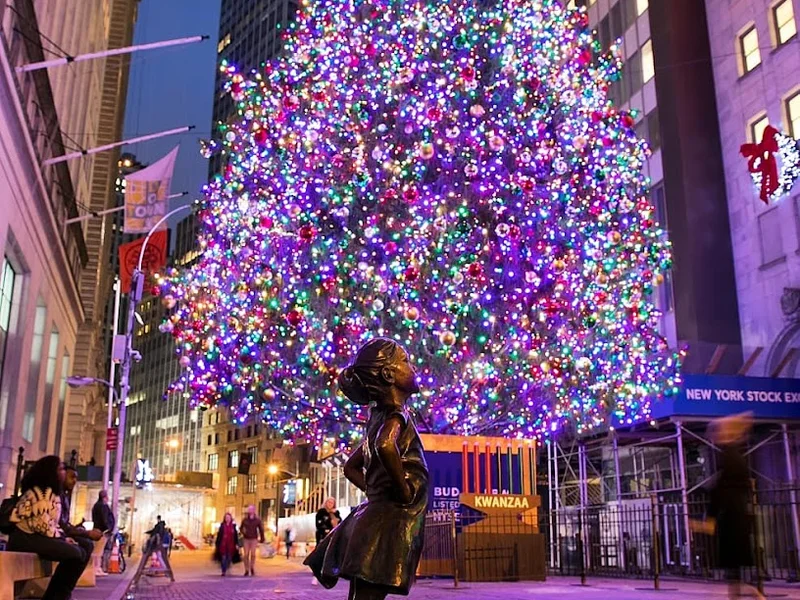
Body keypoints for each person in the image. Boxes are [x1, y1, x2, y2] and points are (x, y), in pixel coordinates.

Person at [305, 338, 429, 600]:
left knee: (361, 595)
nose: (413, 367)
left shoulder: (376, 420)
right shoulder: (396, 415)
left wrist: (374, 491)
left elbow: (351, 467)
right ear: (388, 375)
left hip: (371, 517)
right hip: (385, 525)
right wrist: (403, 491)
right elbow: (385, 445)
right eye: (406, 361)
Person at [7, 456, 89, 600]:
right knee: (75, 553)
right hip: (26, 538)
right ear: (51, 472)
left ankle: (58, 595)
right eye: (61, 469)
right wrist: (63, 539)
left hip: (39, 537)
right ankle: (57, 596)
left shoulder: (53, 494)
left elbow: (52, 523)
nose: (64, 472)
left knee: (83, 548)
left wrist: (63, 538)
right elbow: (41, 525)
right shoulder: (39, 493)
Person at [706, 413, 765, 600]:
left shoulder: (728, 456)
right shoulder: (735, 455)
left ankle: (750, 593)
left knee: (733, 561)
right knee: (734, 566)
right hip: (736, 512)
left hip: (732, 515)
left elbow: (721, 487)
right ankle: (742, 594)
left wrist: (711, 515)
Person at [92, 489, 115, 571]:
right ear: (104, 497)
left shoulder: (96, 505)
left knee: (97, 550)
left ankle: (96, 568)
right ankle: (97, 568)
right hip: (102, 531)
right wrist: (108, 528)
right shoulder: (103, 506)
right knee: (99, 551)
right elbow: (104, 518)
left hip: (97, 529)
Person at [240, 505, 265, 576]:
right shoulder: (245, 519)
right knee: (246, 554)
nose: (250, 511)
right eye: (249, 509)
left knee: (253, 554)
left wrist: (262, 538)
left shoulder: (257, 520)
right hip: (246, 538)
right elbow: (241, 528)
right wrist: (243, 532)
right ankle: (246, 569)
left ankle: (252, 567)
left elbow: (261, 529)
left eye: (251, 509)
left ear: (254, 510)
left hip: (254, 538)